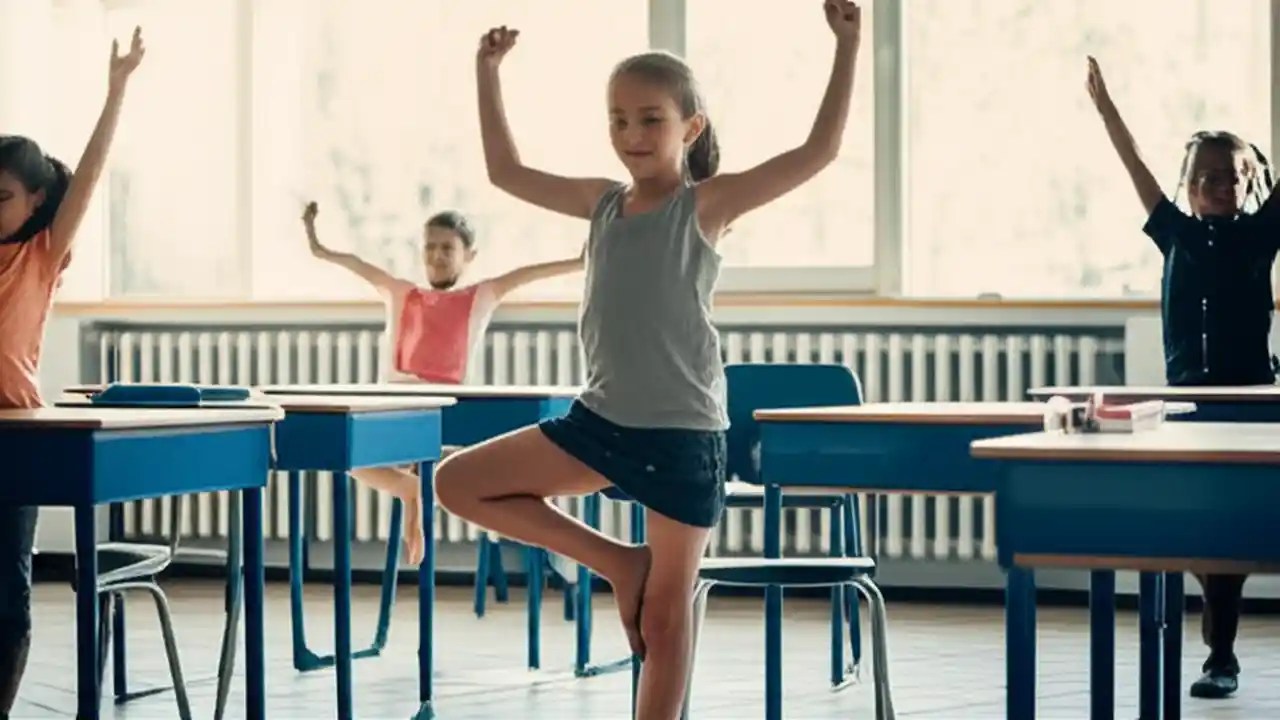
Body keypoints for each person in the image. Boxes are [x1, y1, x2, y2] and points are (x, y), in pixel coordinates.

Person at [434, 2, 862, 716]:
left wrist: (847, 46)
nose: (631, 134)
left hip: (681, 437)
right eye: (618, 119)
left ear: (690, 128)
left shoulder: (706, 206)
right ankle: (616, 560)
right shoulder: (601, 204)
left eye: (651, 119)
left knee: (663, 623)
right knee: (457, 482)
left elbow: (817, 153)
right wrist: (487, 71)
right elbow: (505, 171)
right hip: (599, 423)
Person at [1087, 55, 1279, 700]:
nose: (1222, 186)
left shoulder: (1260, 235)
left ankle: (1221, 654)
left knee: (1236, 531)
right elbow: (1135, 165)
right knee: (1200, 531)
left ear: (1250, 183)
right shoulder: (1175, 235)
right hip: (1191, 404)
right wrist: (1108, 110)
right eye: (1209, 177)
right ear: (1190, 185)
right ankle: (1215, 646)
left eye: (1234, 177)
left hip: (1251, 403)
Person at [302, 200, 583, 564]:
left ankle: (421, 491)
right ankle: (411, 489)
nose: (437, 256)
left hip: (446, 414)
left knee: (473, 466)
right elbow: (354, 264)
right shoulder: (401, 292)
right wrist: (315, 240)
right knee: (347, 452)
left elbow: (525, 274)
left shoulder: (480, 297)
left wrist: (578, 262)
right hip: (394, 408)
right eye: (430, 247)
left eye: (447, 248)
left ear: (469, 255)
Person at [0, 27, 146, 719]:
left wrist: (116, 90)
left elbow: (86, 179)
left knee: (7, 594)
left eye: (1, 196)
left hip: (15, 436)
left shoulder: (43, 256)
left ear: (35, 201)